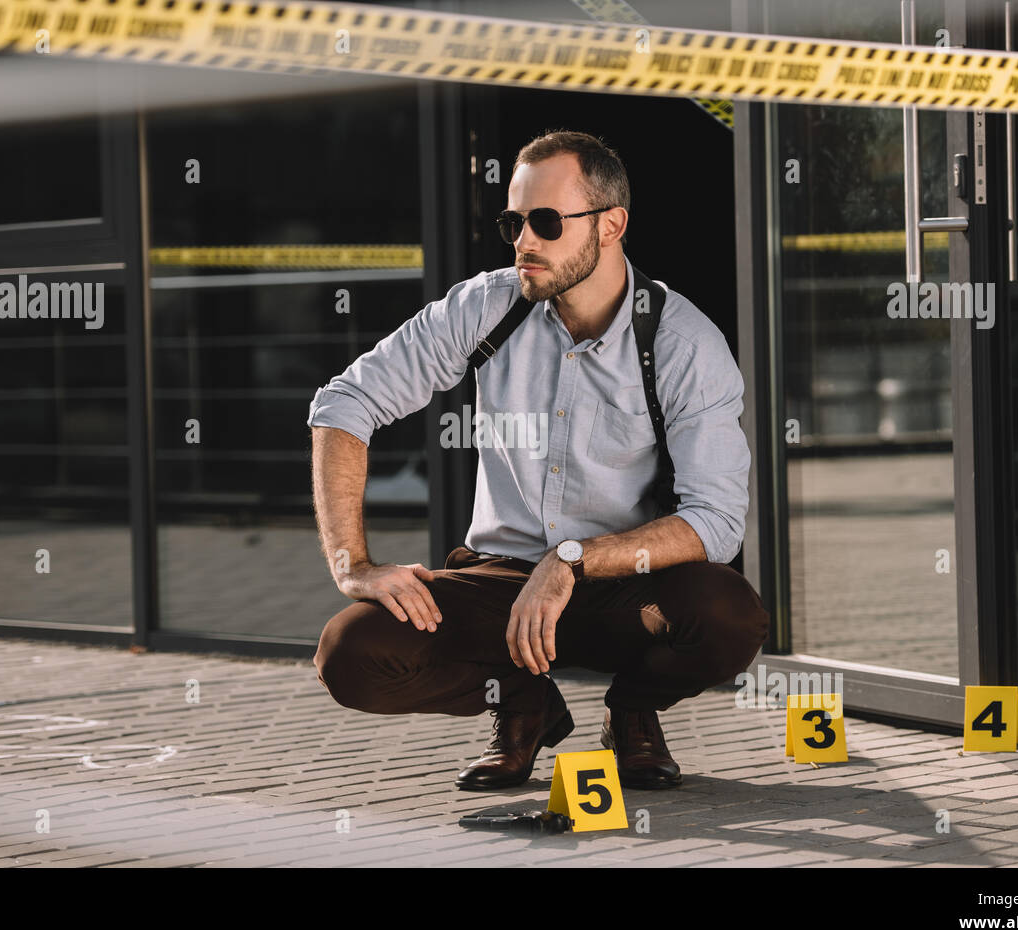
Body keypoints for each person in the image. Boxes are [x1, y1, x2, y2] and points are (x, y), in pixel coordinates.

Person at [306, 129, 769, 791]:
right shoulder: (486, 307)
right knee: (350, 654)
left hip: (621, 589)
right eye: (513, 222)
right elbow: (344, 402)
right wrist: (353, 564)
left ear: (612, 225)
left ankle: (633, 709)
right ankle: (522, 705)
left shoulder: (681, 340)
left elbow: (717, 522)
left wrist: (573, 558)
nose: (525, 241)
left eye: (547, 223)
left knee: (729, 615)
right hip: (498, 584)